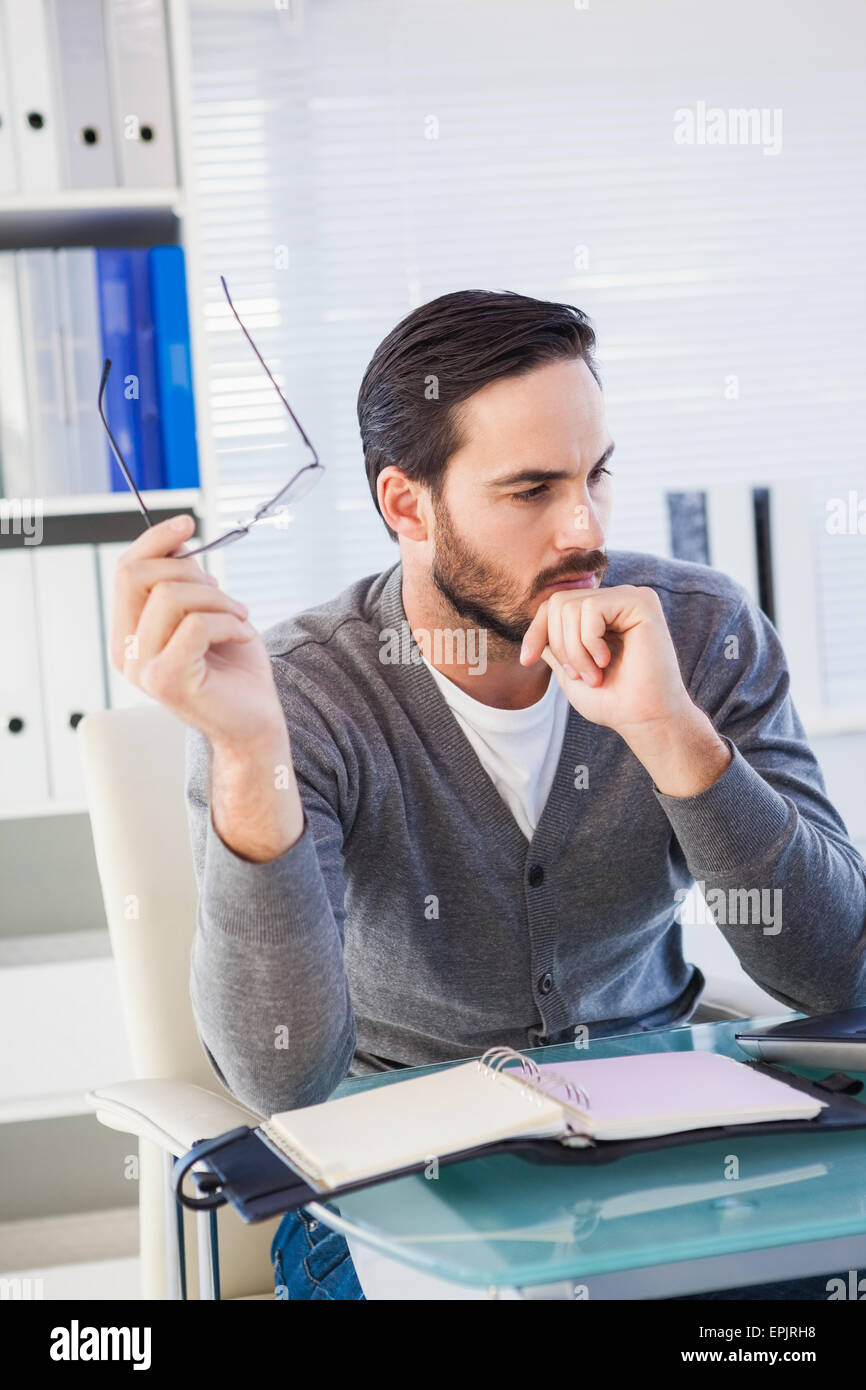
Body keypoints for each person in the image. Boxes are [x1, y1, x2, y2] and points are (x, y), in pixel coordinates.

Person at [110, 289, 866, 1300]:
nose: (582, 527)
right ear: (406, 506)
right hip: (399, 1187)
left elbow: (838, 975)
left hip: (677, 1158)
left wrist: (673, 737)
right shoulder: (294, 696)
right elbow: (281, 1076)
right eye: (530, 490)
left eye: (595, 474)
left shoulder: (697, 633)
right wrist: (251, 756)